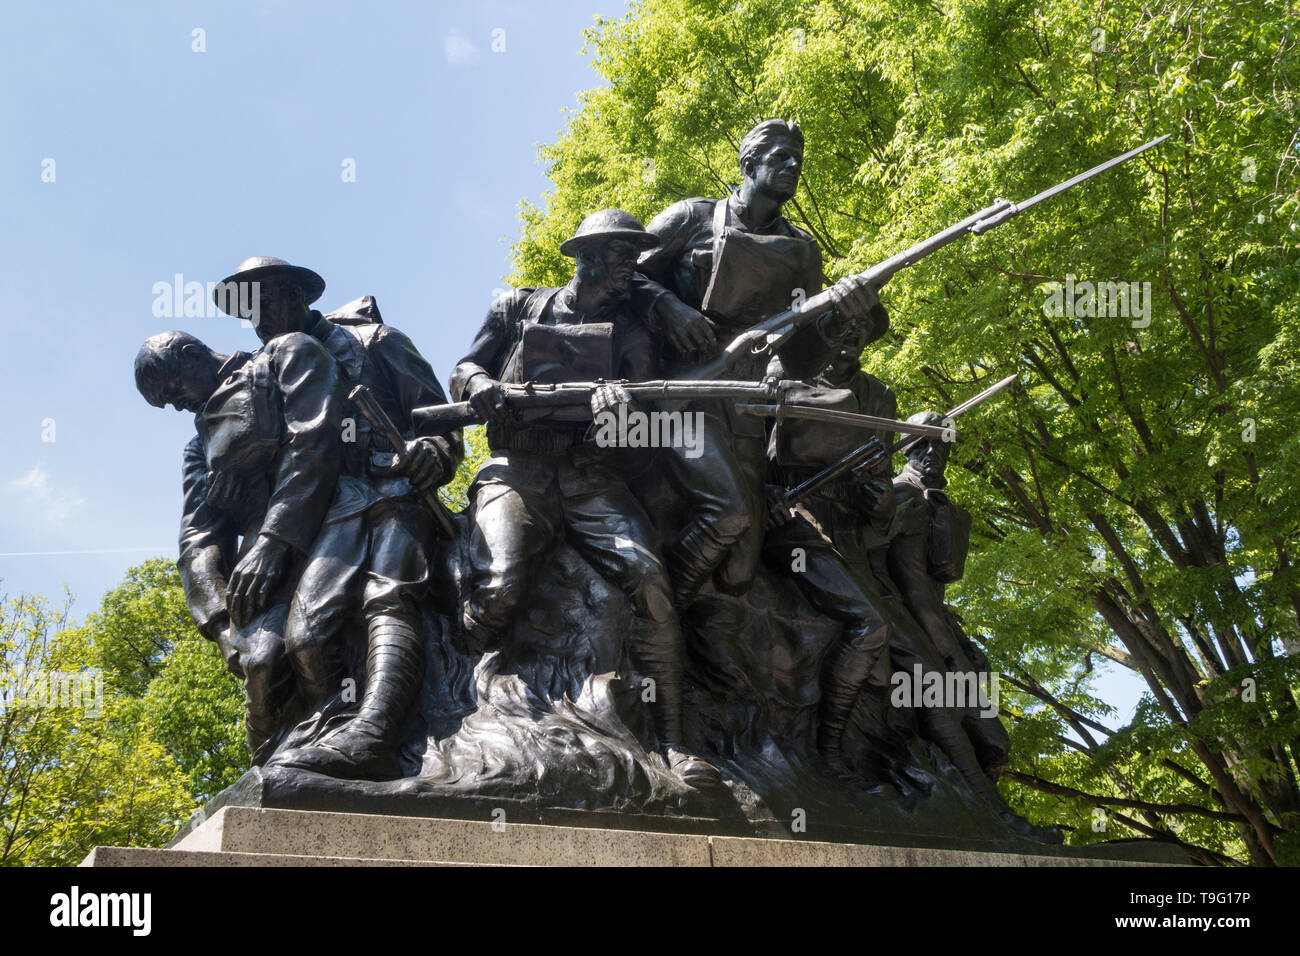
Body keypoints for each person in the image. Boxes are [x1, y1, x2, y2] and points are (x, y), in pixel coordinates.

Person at [450, 210, 722, 790]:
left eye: (634, 256)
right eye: (623, 256)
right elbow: (465, 366)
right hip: (517, 470)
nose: (633, 269)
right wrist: (479, 385)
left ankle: (672, 741)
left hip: (590, 479)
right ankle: (451, 702)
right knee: (498, 585)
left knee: (650, 578)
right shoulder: (515, 307)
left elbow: (641, 443)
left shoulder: (634, 335)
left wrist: (620, 420)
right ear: (588, 256)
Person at [211, 257, 462, 779]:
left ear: (298, 295)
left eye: (266, 303)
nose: (259, 321)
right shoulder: (261, 372)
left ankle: (376, 735)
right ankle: (314, 742)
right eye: (249, 313)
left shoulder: (378, 341)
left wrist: (433, 452)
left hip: (395, 493)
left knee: (388, 593)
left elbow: (441, 422)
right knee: (304, 636)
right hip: (324, 518)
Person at [631, 118, 885, 607]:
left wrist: (835, 322)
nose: (793, 167)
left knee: (742, 568)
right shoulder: (691, 217)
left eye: (798, 160)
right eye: (781, 158)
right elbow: (625, 277)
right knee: (726, 514)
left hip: (747, 404)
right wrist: (669, 307)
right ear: (749, 164)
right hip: (683, 391)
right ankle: (651, 616)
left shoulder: (803, 252)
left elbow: (802, 358)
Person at [134, 329, 343, 762]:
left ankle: (346, 746)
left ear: (193, 356)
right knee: (262, 663)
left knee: (312, 644)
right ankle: (271, 775)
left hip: (336, 520)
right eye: (165, 403)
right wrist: (219, 625)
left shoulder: (277, 363)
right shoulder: (199, 449)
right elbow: (198, 539)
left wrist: (272, 538)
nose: (176, 405)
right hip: (263, 563)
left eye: (173, 390)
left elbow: (314, 442)